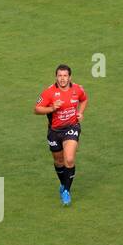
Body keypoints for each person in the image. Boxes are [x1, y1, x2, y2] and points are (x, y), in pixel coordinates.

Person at [34, 64, 88, 206]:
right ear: (56, 77)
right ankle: (63, 184)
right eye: (60, 76)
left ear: (70, 77)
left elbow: (84, 99)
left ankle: (66, 192)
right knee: (59, 161)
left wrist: (80, 112)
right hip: (54, 131)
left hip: (71, 127)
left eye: (65, 76)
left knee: (69, 159)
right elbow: (37, 109)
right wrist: (52, 108)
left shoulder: (77, 89)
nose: (62, 79)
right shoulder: (49, 92)